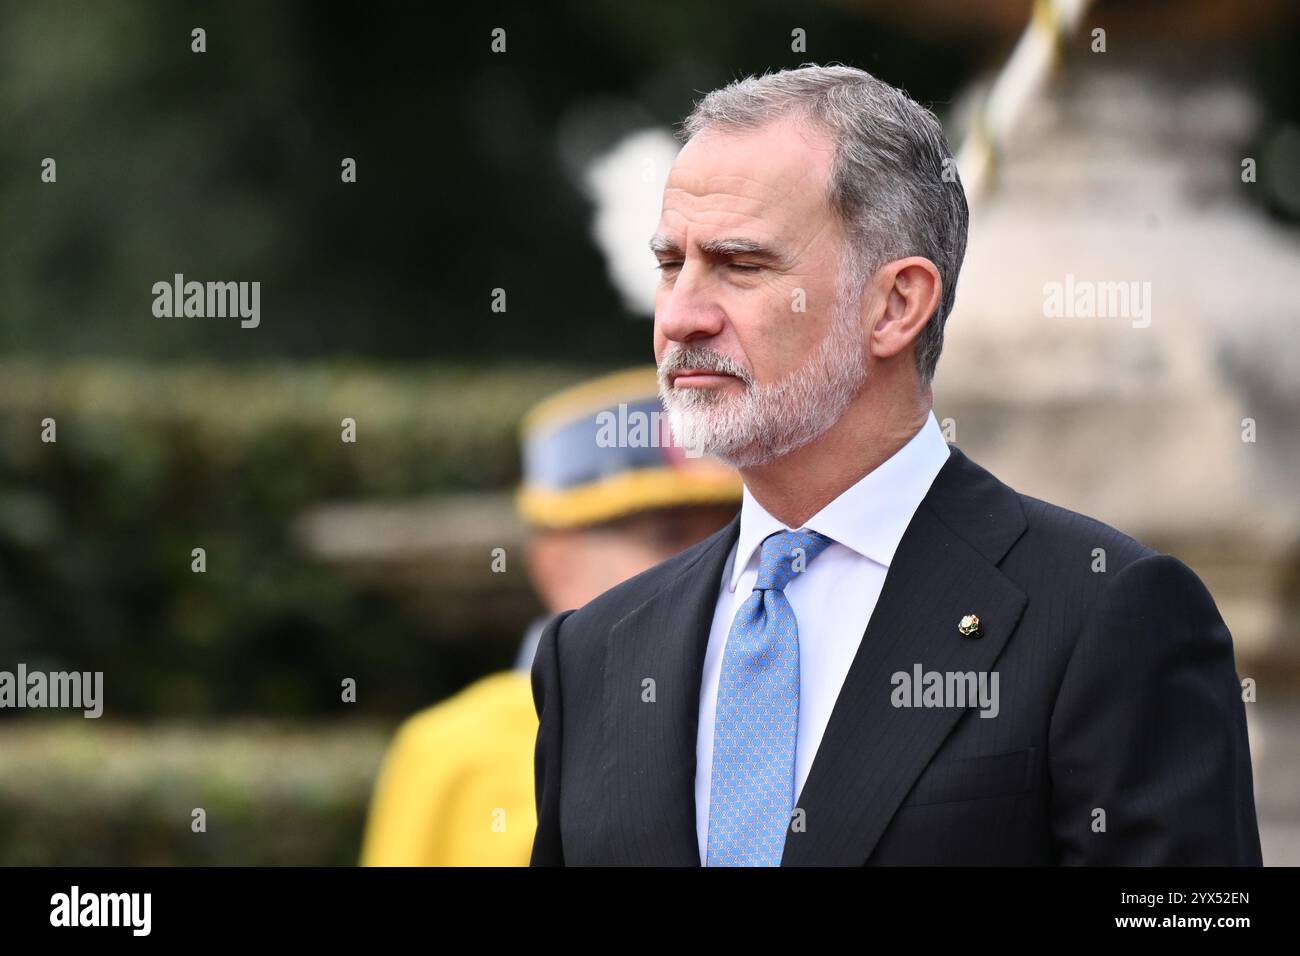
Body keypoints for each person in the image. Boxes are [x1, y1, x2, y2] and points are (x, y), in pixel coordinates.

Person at [529, 64, 1263, 866]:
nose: (681, 316)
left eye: (740, 265)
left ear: (896, 305)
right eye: (672, 264)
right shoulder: (593, 653)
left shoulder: (1107, 616)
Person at [359, 368, 740, 866]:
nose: (710, 562)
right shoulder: (450, 752)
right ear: (555, 564)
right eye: (668, 536)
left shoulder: (781, 713)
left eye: (733, 536)